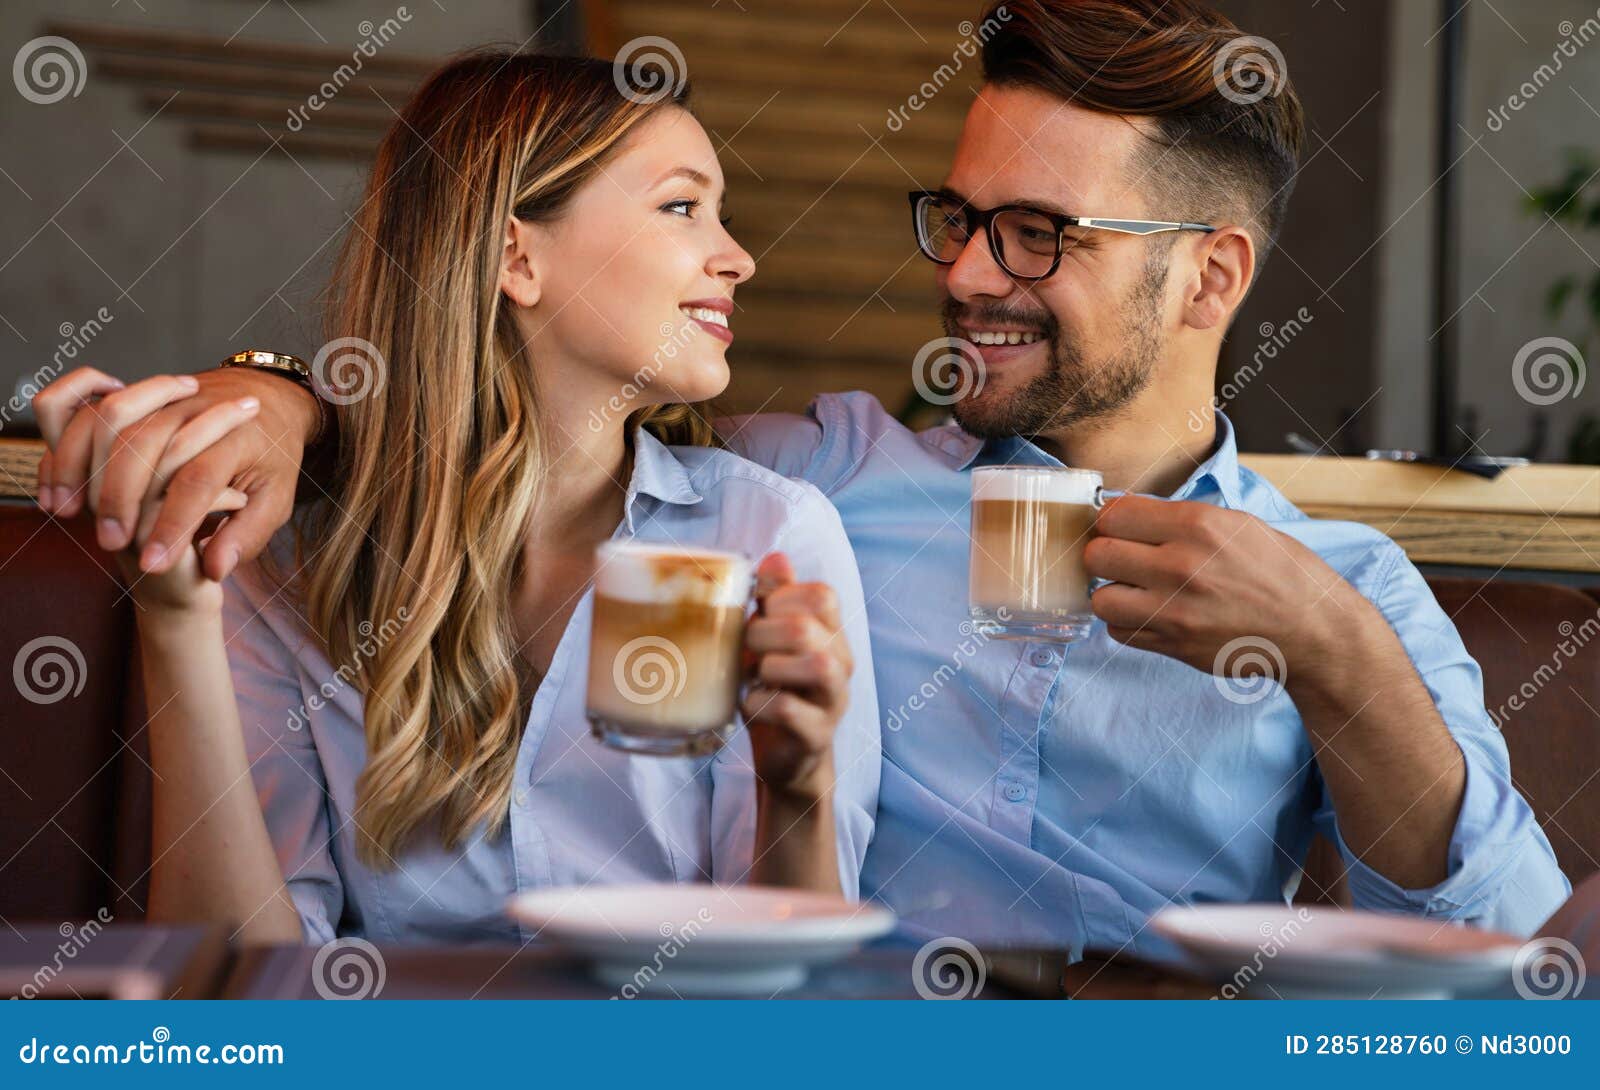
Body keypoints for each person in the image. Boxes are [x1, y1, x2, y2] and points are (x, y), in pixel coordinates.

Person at [35, 1, 1568, 954]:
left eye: (1035, 233)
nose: (970, 272)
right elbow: (521, 437)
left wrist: (1339, 663)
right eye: (955, 218)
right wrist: (291, 402)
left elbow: (1511, 958)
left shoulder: (1345, 594)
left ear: (1211, 274)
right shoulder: (817, 482)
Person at [33, 51, 880, 946]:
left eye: (722, 216)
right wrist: (175, 614)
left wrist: (801, 783)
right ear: (516, 256)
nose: (738, 257)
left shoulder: (767, 534)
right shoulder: (288, 560)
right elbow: (245, 997)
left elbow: (795, 1005)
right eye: (681, 207)